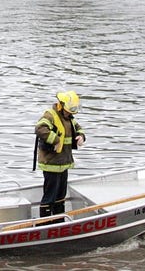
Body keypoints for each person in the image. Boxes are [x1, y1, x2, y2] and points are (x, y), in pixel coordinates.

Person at [35, 90, 85, 220]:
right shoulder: (50, 115)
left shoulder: (69, 118)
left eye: (72, 112)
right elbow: (40, 129)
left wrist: (81, 137)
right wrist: (55, 140)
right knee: (50, 197)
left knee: (60, 197)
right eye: (69, 111)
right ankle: (44, 224)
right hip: (51, 164)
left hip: (63, 163)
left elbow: (79, 128)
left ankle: (58, 221)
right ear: (61, 106)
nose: (70, 114)